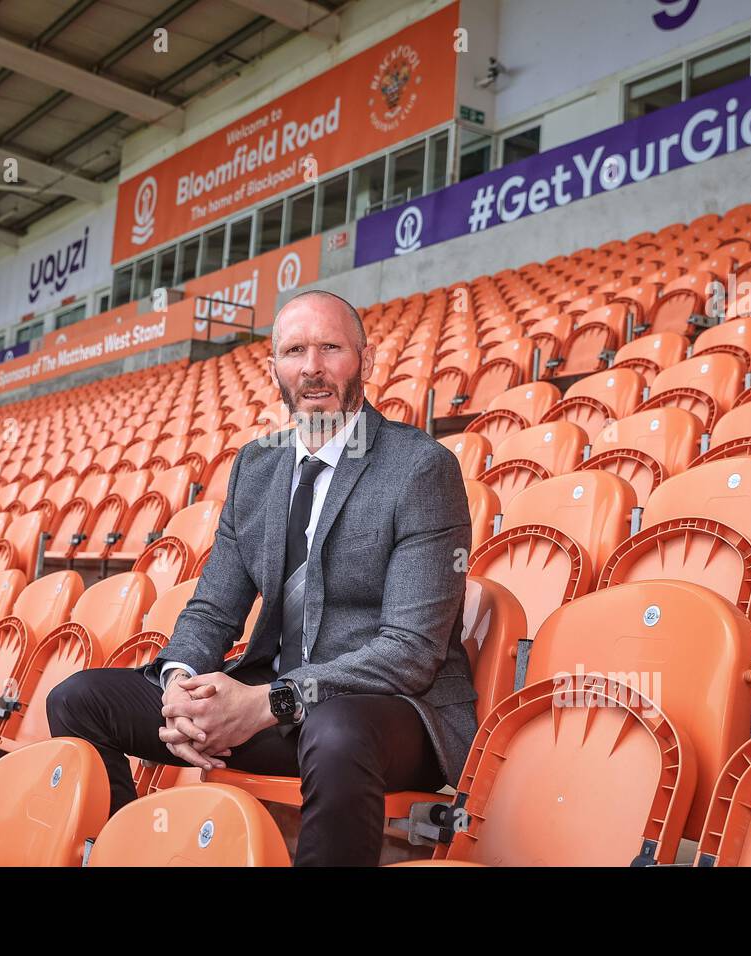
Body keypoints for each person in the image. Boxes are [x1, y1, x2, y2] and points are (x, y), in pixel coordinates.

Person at [47, 290, 475, 866]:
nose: (313, 368)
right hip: (271, 704)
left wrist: (268, 702)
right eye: (295, 351)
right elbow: (212, 609)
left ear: (366, 363)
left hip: (384, 712)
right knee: (78, 699)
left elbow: (410, 653)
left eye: (331, 348)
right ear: (274, 368)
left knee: (336, 730)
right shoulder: (256, 466)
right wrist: (179, 684)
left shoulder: (420, 468)